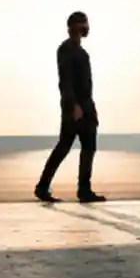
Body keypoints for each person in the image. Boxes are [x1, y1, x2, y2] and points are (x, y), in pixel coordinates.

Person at [34, 11, 106, 203]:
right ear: (75, 26)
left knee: (88, 147)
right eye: (84, 23)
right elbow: (65, 81)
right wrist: (73, 105)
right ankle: (43, 187)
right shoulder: (66, 49)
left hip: (86, 106)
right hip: (74, 107)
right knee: (64, 146)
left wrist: (89, 107)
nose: (86, 27)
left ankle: (83, 190)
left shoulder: (81, 52)